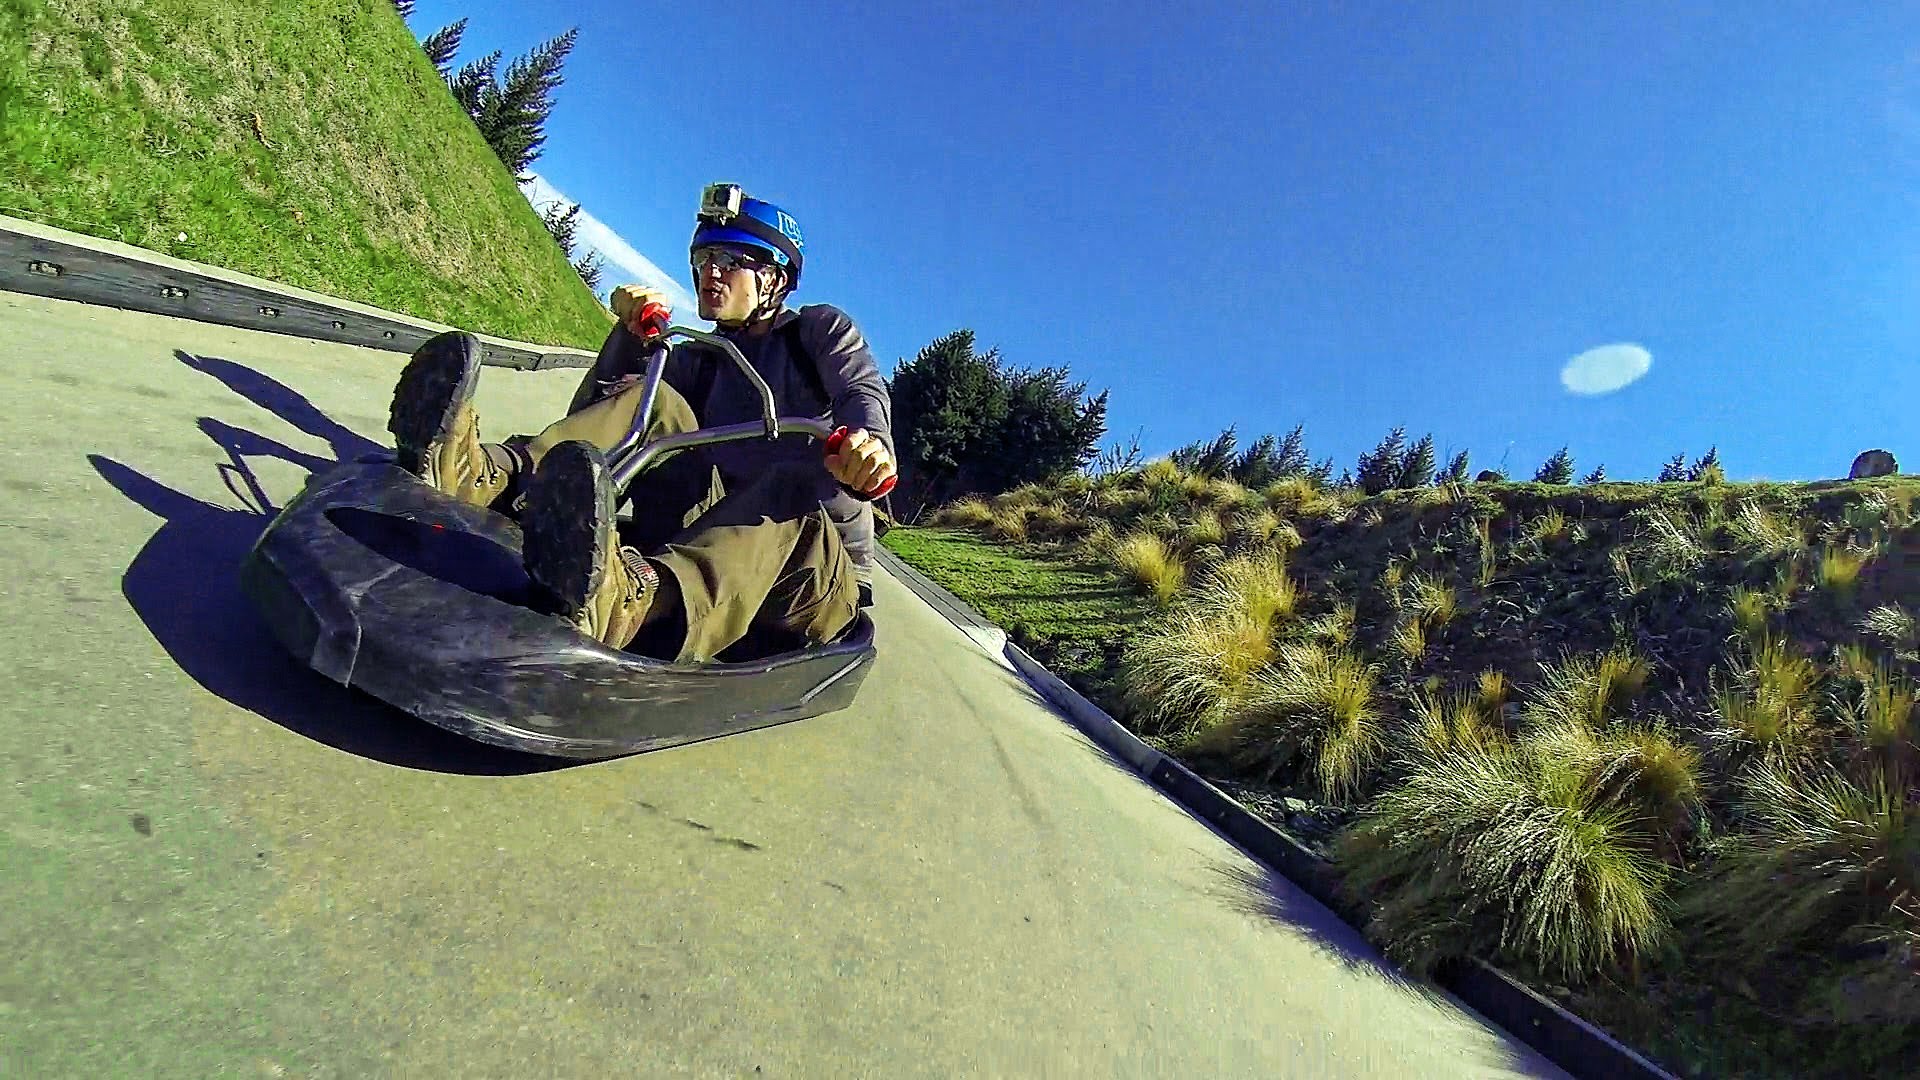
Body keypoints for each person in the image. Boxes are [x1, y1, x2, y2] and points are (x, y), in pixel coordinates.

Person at [383, 183, 897, 663]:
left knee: (787, 484)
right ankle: (483, 473)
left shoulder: (817, 331)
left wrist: (868, 444)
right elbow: (600, 417)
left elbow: (860, 389)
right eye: (703, 258)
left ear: (775, 278)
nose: (710, 273)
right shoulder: (704, 357)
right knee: (661, 402)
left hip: (811, 583)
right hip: (715, 545)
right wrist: (629, 338)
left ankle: (633, 604)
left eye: (731, 260)